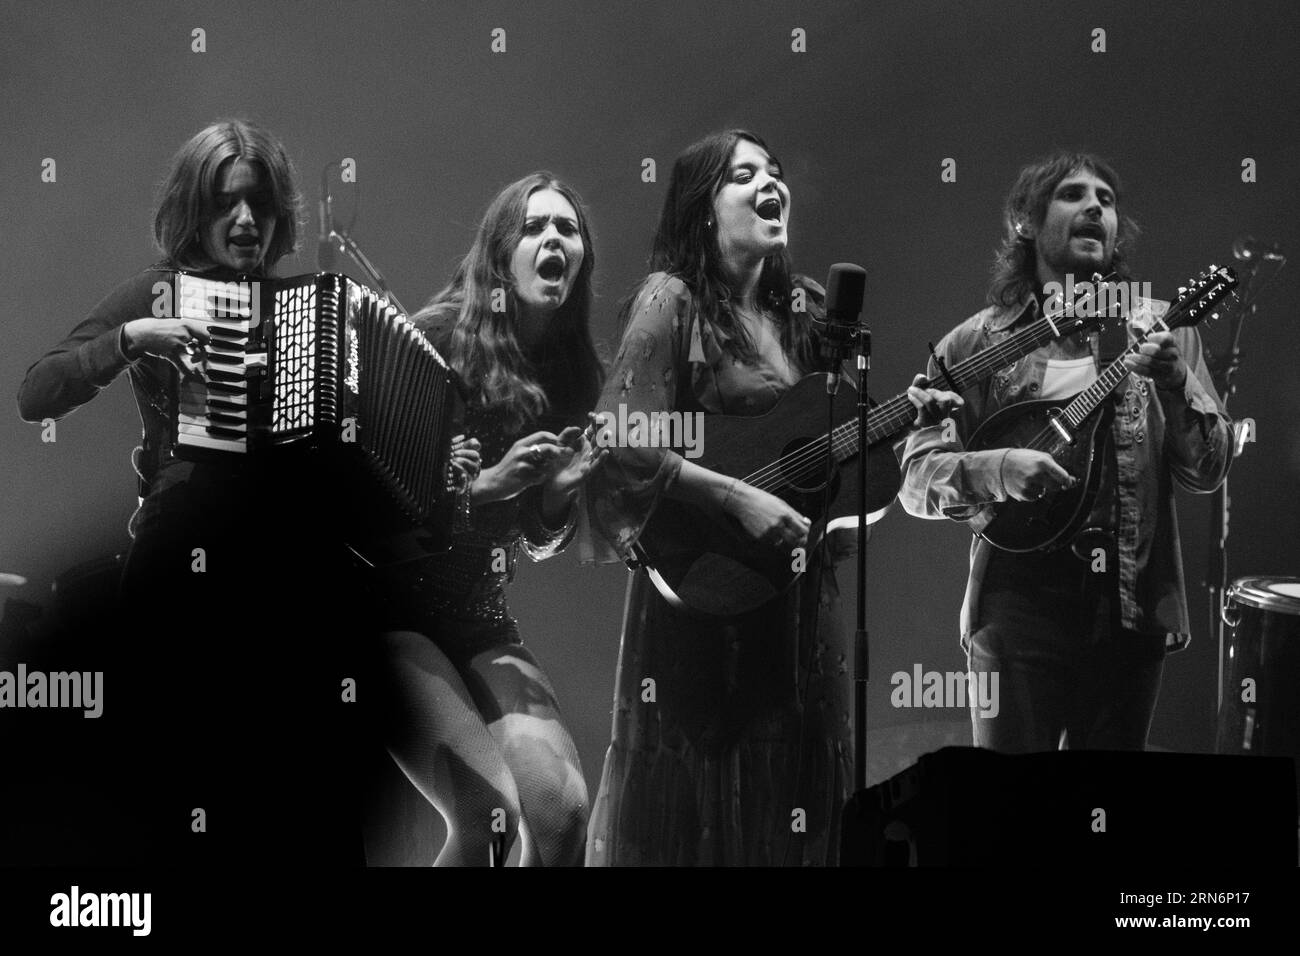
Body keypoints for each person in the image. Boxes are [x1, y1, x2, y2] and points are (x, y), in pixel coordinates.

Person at [582, 130, 958, 866]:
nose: (770, 185)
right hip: (703, 596)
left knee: (794, 808)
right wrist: (736, 500)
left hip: (798, 606)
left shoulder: (806, 314)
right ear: (703, 209)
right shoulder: (674, 300)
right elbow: (618, 437)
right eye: (744, 175)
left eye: (775, 173)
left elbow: (828, 448)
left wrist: (908, 410)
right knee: (703, 810)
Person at [17, 119, 361, 865]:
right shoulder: (160, 291)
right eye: (225, 205)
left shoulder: (311, 308)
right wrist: (134, 337)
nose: (245, 222)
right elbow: (36, 393)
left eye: (260, 206)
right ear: (193, 212)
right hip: (188, 552)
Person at [898, 151, 1233, 754]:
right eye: (1073, 194)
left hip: (1131, 604)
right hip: (1016, 603)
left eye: (1107, 200)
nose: (1096, 208)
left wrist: (1178, 381)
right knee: (1010, 820)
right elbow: (918, 480)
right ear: (1027, 221)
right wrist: (997, 468)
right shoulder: (974, 344)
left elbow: (1208, 468)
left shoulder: (1160, 329)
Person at [370, 172, 603, 866]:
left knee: (560, 817)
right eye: (534, 227)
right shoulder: (436, 338)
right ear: (500, 254)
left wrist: (556, 499)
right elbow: (373, 502)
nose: (554, 238)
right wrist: (479, 490)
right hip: (389, 608)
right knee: (487, 818)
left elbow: (536, 541)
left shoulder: (573, 375)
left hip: (477, 613)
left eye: (568, 228)